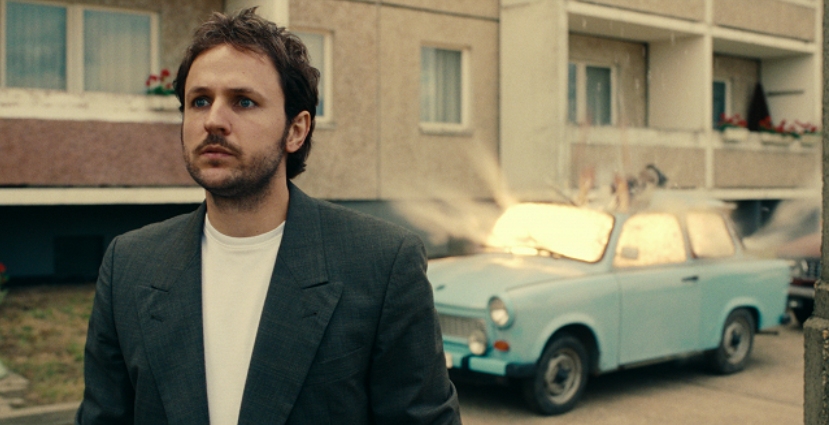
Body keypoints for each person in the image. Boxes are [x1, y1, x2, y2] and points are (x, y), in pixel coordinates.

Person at [76, 8, 461, 425]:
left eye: (243, 101)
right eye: (199, 101)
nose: (213, 121)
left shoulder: (382, 263)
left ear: (296, 130)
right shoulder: (129, 265)